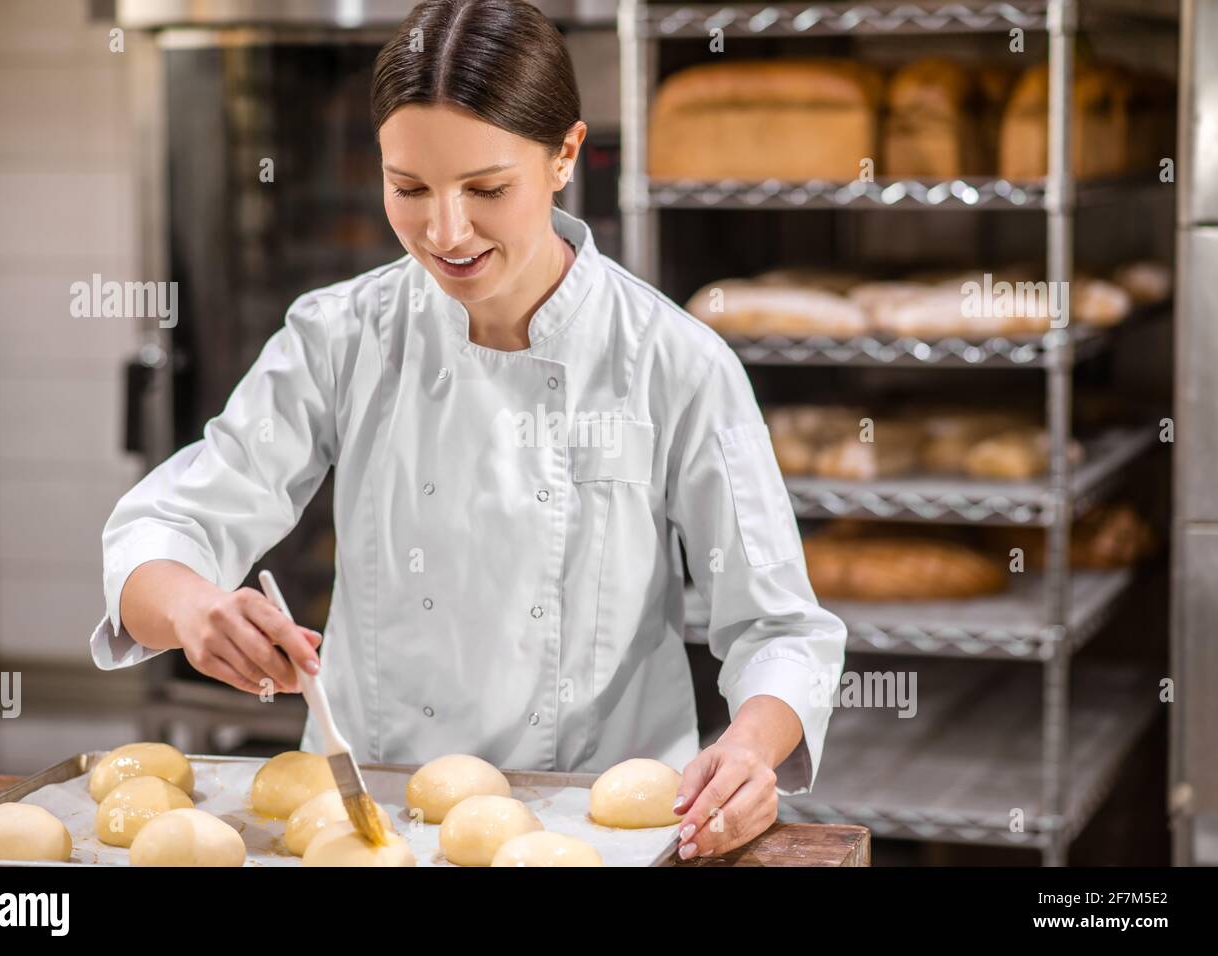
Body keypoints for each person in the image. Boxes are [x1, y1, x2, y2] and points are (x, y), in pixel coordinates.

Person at [92, 0, 845, 860]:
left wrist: (748, 750)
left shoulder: (672, 362)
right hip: (363, 829)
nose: (445, 233)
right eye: (408, 188)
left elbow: (780, 629)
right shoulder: (344, 336)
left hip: (601, 833)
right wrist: (195, 607)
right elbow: (165, 525)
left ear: (565, 155)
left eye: (487, 190)